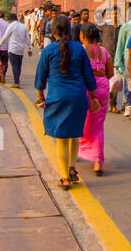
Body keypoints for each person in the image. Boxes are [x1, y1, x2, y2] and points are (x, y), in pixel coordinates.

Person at [35, 14, 98, 190]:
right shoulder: (79, 49)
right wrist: (93, 97)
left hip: (57, 98)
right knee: (74, 135)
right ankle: (72, 168)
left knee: (61, 139)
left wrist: (41, 97)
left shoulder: (48, 50)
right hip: (78, 97)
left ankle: (64, 177)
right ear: (70, 30)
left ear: (53, 31)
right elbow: (88, 75)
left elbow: (40, 77)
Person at [78, 22, 113, 175]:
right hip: (103, 89)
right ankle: (97, 161)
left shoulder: (81, 51)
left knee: (83, 123)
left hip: (86, 89)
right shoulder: (104, 51)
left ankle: (84, 152)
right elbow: (110, 73)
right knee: (98, 124)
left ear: (82, 36)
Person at [3, 12, 31, 86]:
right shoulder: (23, 26)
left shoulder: (11, 26)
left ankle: (16, 82)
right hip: (21, 50)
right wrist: (30, 48)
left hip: (13, 49)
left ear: (10, 20)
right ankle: (17, 80)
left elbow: (5, 36)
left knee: (14, 65)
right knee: (18, 66)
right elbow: (27, 38)